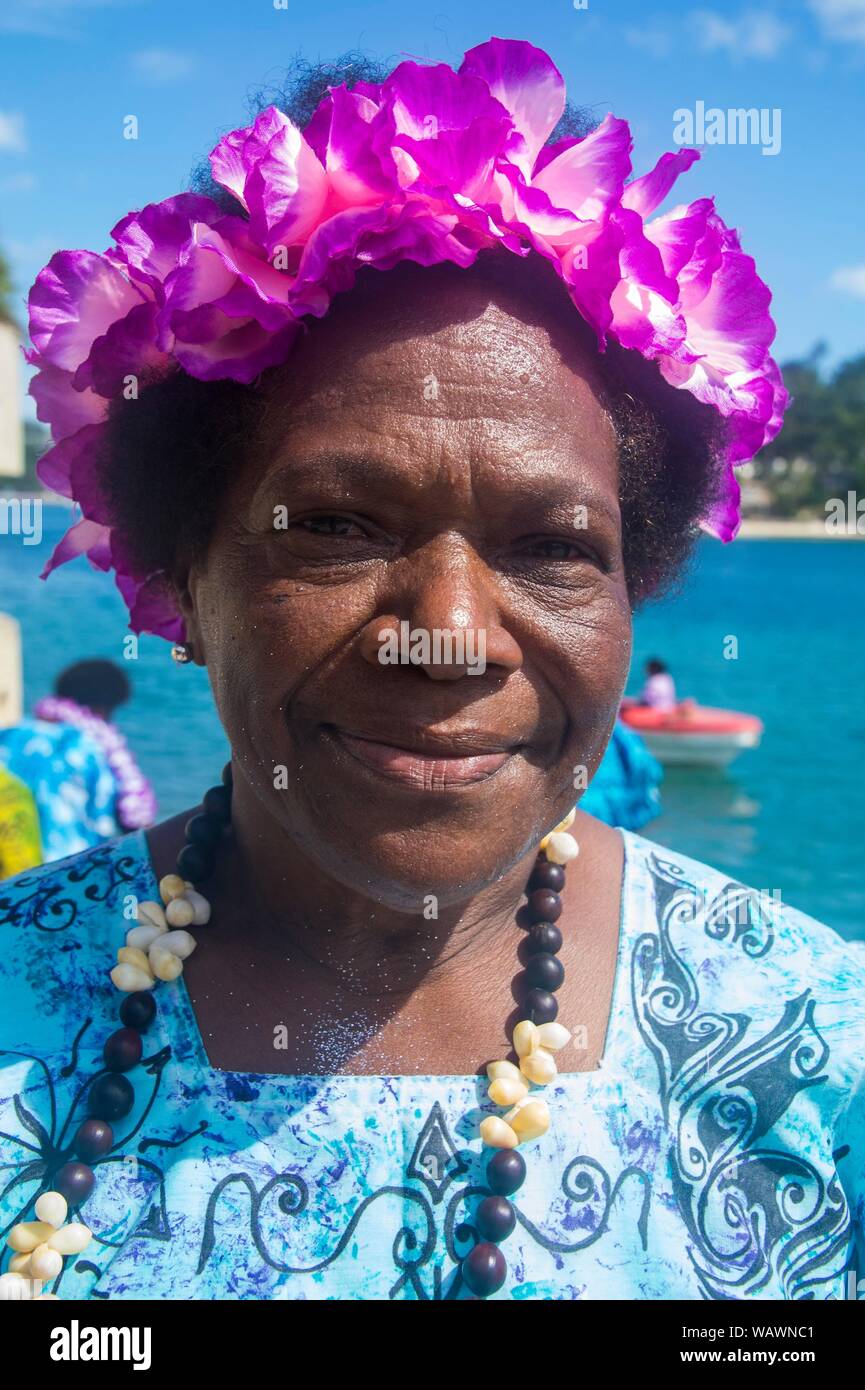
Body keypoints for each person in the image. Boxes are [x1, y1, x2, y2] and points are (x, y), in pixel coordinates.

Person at [1, 40, 862, 1303]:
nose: (451, 633)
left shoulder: (812, 1052)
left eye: (553, 546)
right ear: (182, 574)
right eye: (337, 526)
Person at [0, 660, 156, 863]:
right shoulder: (89, 746)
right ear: (102, 706)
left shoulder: (11, 735)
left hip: (12, 858)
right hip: (67, 865)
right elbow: (125, 818)